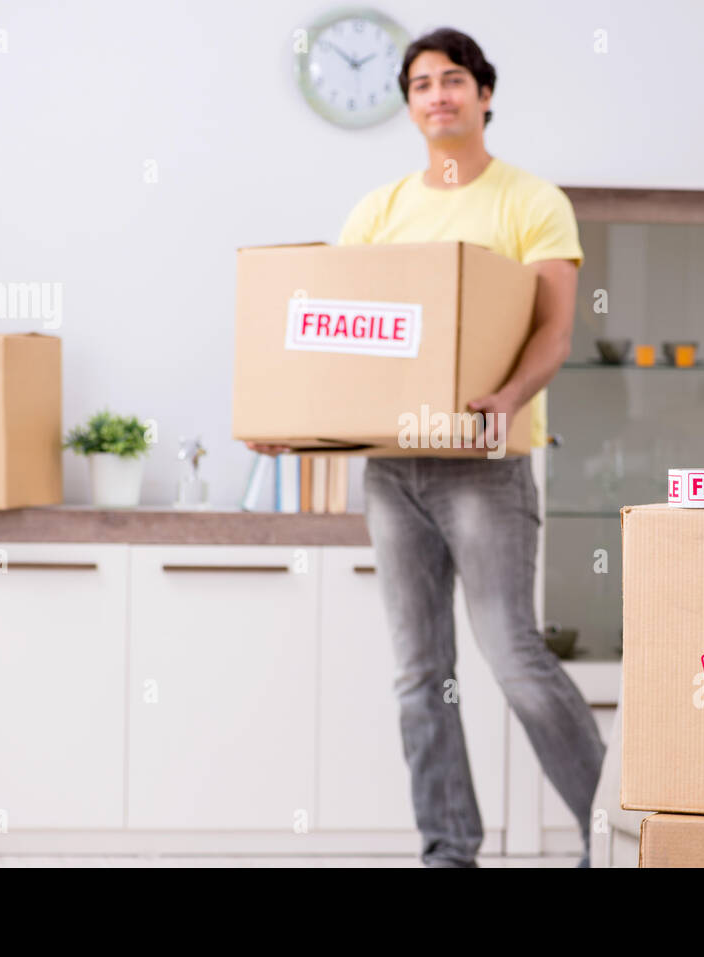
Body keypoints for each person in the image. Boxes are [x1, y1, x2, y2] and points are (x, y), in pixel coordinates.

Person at [247, 27, 605, 867]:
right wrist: (288, 424)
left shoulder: (531, 202)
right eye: (420, 85)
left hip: (485, 465)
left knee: (514, 658)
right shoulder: (379, 211)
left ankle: (618, 837)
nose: (438, 95)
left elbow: (554, 329)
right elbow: (336, 341)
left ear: (484, 94)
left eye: (453, 80)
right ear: (408, 107)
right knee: (419, 672)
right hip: (392, 469)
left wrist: (507, 399)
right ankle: (448, 848)